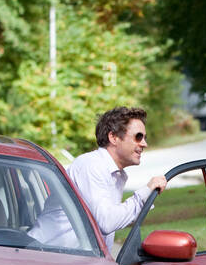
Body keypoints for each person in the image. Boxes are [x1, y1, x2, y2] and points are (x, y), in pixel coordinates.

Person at [33, 106, 167, 250]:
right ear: (114, 137)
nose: (144, 144)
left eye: (144, 138)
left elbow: (111, 222)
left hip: (71, 261)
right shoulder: (91, 165)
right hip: (43, 256)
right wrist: (143, 195)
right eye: (138, 137)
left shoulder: (116, 174)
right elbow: (107, 222)